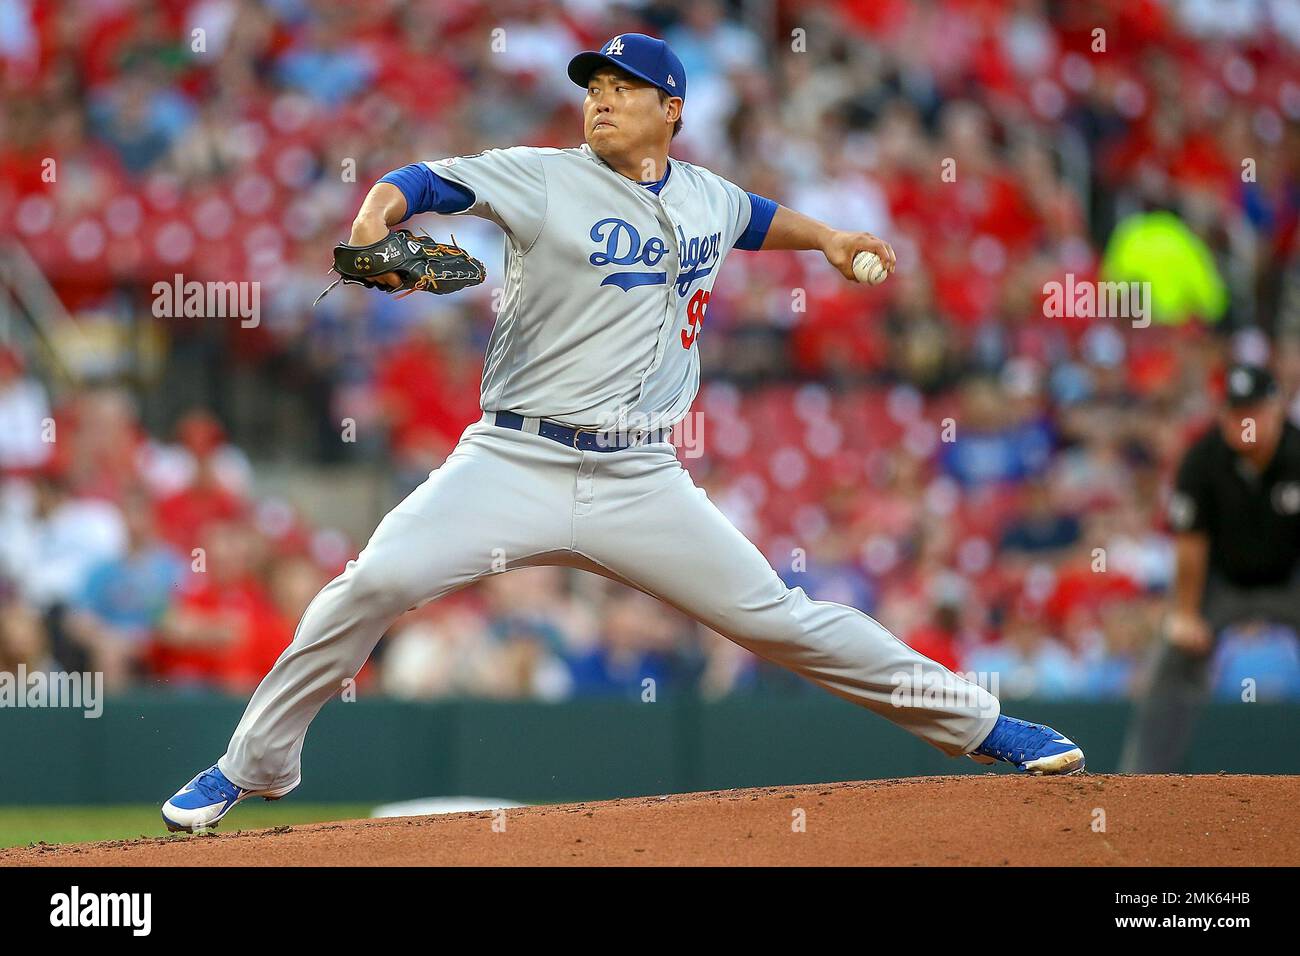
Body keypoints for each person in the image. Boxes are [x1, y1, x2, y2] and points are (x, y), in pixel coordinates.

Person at [163, 34, 1084, 832]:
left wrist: (833, 238)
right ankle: (255, 765)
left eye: (620, 88)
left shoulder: (707, 198)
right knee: (372, 584)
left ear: (671, 108)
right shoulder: (545, 176)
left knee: (784, 623)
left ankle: (984, 726)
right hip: (514, 458)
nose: (598, 99)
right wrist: (375, 219)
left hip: (641, 477)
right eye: (592, 87)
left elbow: (757, 219)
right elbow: (423, 182)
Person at [1122, 364, 1300, 771]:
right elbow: (1190, 546)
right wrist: (1185, 614)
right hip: (1223, 585)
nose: (1244, 422)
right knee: (1174, 655)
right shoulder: (1202, 461)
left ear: (1276, 410)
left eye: (1254, 411)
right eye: (1235, 412)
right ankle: (1141, 781)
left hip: (1290, 580)